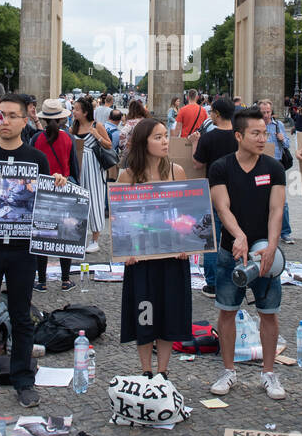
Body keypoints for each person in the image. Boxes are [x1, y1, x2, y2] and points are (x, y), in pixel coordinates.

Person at [0, 94, 64, 411]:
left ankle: (23, 379)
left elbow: (47, 204)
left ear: (25, 120)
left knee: (22, 317)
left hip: (22, 250)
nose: (3, 121)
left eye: (11, 116)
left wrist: (59, 182)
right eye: (0, 116)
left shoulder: (36, 159)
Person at [207, 106, 287, 400]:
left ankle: (269, 372)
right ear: (238, 135)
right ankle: (229, 370)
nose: (262, 138)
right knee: (227, 311)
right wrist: (238, 235)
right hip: (231, 252)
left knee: (269, 313)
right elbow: (222, 207)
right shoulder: (221, 167)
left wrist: (271, 246)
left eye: (264, 133)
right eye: (255, 133)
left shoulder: (273, 168)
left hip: (263, 251)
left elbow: (277, 209)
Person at [117, 118, 192, 376]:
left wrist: (186, 243)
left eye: (165, 136)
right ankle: (146, 370)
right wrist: (125, 250)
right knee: (144, 314)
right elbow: (120, 220)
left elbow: (185, 217)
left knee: (169, 314)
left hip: (172, 257)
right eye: (158, 137)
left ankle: (163, 371)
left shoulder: (177, 171)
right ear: (143, 142)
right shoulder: (127, 176)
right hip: (141, 261)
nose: (165, 141)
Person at [193, 96, 238, 297]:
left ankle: (212, 283)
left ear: (217, 115)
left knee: (211, 238)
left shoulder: (208, 137)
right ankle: (236, 279)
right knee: (235, 236)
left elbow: (197, 164)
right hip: (237, 192)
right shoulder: (240, 136)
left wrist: (195, 142)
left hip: (212, 191)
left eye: (211, 112)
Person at [32, 97, 79, 292]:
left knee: (42, 234)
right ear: (61, 119)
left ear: (43, 119)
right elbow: (74, 167)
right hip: (64, 188)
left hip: (43, 191)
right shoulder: (68, 138)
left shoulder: (35, 139)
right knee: (64, 235)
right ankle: (65, 279)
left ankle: (41, 281)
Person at [70, 95, 114, 252]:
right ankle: (79, 236)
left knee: (95, 200)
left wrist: (98, 137)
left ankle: (95, 239)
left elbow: (109, 146)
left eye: (76, 109)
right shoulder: (72, 128)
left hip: (95, 168)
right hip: (78, 167)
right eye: (73, 108)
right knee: (77, 201)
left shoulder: (97, 125)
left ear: (85, 112)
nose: (73, 111)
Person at [258, 99, 293, 243]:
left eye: (268, 112)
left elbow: (287, 144)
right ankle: (262, 230)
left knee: (281, 201)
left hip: (276, 165)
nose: (266, 115)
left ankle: (285, 232)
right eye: (263, 112)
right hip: (259, 164)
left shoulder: (278, 125)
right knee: (260, 198)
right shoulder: (255, 125)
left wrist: (282, 139)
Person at [117, 99, 148, 163]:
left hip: (133, 150)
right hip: (144, 148)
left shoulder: (131, 122)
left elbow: (122, 134)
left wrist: (123, 145)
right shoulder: (145, 121)